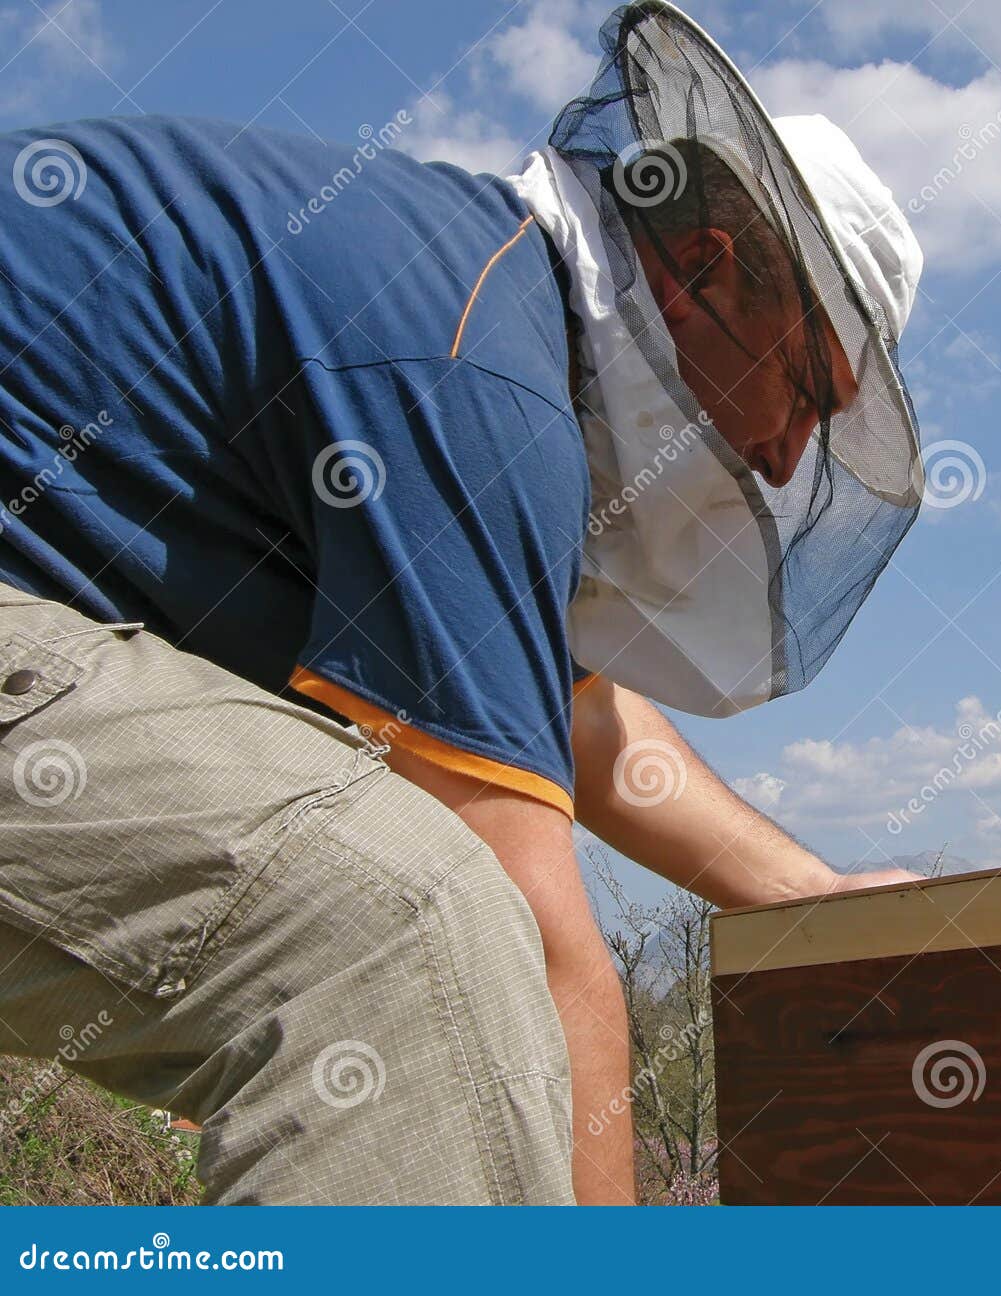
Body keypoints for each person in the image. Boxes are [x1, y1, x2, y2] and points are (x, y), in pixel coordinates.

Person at [0, 1, 925, 1204]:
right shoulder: (469, 369)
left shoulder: (478, 297)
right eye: (807, 388)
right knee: (402, 934)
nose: (789, 457)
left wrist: (807, 899)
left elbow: (566, 716)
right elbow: (543, 944)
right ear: (699, 269)